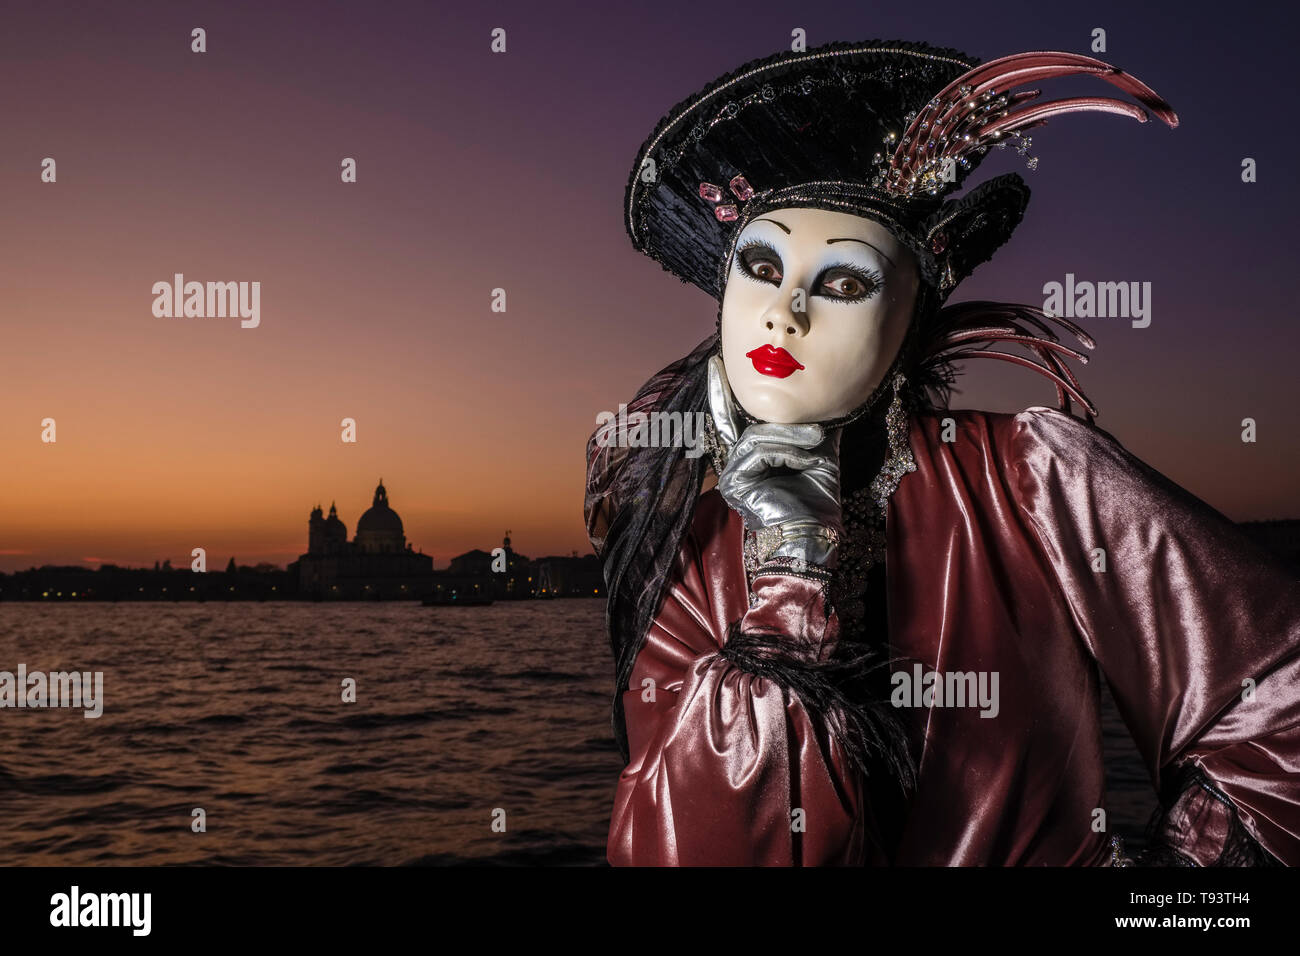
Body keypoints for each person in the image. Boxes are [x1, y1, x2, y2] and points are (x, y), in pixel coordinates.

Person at [585, 39, 1300, 866]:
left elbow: (1276, 697)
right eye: (760, 265)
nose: (784, 313)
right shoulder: (682, 543)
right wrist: (791, 570)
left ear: (909, 317)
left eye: (844, 282)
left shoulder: (1032, 477)